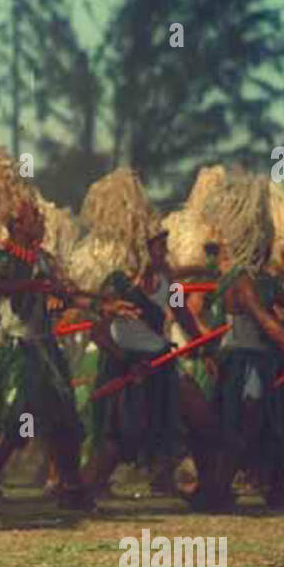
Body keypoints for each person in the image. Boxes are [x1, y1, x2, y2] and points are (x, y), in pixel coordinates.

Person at [0, 153, 131, 516]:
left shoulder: (44, 259)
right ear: (16, 224)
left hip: (44, 350)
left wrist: (104, 305)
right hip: (16, 351)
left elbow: (68, 291)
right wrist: (35, 284)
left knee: (63, 421)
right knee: (9, 425)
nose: (41, 220)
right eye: (34, 217)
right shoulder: (3, 258)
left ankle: (71, 488)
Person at [81, 169, 217, 500]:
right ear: (144, 248)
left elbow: (183, 317)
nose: (164, 249)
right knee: (122, 438)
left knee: (197, 416)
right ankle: (84, 488)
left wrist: (206, 348)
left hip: (161, 363)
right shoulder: (119, 283)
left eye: (164, 243)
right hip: (128, 368)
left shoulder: (167, 280)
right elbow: (98, 332)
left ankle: (209, 488)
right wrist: (126, 361)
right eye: (159, 244)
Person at [190, 170, 284, 511]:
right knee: (243, 425)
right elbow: (265, 321)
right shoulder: (240, 280)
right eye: (261, 243)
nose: (266, 247)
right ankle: (217, 490)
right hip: (245, 365)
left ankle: (274, 489)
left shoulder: (266, 279)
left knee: (278, 427)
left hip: (269, 362)